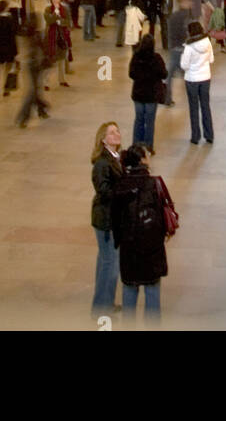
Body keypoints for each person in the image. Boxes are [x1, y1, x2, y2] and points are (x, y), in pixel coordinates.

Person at [115, 145, 174, 316]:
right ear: (142, 160)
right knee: (152, 291)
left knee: (129, 291)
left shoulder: (120, 185)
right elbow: (163, 215)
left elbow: (115, 219)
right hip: (152, 249)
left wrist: (121, 241)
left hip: (129, 249)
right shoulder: (154, 183)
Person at [90, 121, 124, 313]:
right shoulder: (103, 162)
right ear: (103, 140)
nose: (116, 135)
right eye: (111, 133)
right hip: (106, 220)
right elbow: (103, 190)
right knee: (110, 265)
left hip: (110, 218)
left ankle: (103, 303)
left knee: (105, 261)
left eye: (117, 131)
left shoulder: (116, 157)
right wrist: (124, 191)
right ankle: (102, 307)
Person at [128, 34, 167, 155]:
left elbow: (131, 74)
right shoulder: (156, 58)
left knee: (139, 120)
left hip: (138, 93)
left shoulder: (136, 57)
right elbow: (164, 74)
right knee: (149, 121)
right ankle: (148, 146)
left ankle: (136, 145)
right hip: (151, 94)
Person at [180, 21, 214, 145]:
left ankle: (195, 136)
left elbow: (184, 65)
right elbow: (211, 59)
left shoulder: (189, 47)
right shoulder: (208, 42)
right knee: (206, 106)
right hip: (205, 78)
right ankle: (209, 134)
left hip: (192, 79)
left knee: (194, 108)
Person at [15, 20, 51, 127]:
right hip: (35, 65)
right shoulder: (36, 36)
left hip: (29, 65)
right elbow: (43, 50)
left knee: (35, 89)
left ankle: (41, 109)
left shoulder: (23, 36)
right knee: (33, 91)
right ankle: (24, 116)